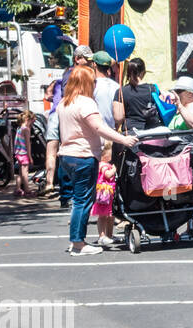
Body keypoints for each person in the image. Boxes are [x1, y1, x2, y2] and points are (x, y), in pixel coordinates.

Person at [57, 66, 137, 255]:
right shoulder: (86, 103)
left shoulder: (64, 103)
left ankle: (76, 239)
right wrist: (123, 139)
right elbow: (99, 128)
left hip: (67, 155)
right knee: (82, 201)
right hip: (83, 156)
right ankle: (78, 243)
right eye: (92, 81)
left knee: (79, 200)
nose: (94, 85)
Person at [118, 58, 172, 133]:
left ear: (128, 72)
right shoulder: (153, 88)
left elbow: (118, 118)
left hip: (131, 132)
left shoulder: (121, 91)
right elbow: (162, 107)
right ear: (143, 72)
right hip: (152, 132)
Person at [92, 144, 118, 249]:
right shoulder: (102, 164)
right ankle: (102, 236)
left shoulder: (107, 164)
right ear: (104, 155)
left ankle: (110, 235)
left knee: (111, 216)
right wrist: (115, 168)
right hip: (103, 195)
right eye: (110, 154)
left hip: (109, 194)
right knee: (102, 216)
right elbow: (107, 174)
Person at [92, 51, 121, 130]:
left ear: (94, 64)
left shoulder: (91, 86)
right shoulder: (117, 86)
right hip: (112, 133)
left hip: (96, 133)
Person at [14, 110, 35, 197]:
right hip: (24, 153)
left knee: (20, 172)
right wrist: (30, 156)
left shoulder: (19, 128)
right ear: (27, 119)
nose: (32, 123)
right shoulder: (26, 129)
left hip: (18, 153)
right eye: (32, 121)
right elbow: (28, 144)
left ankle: (18, 188)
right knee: (25, 172)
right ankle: (27, 190)